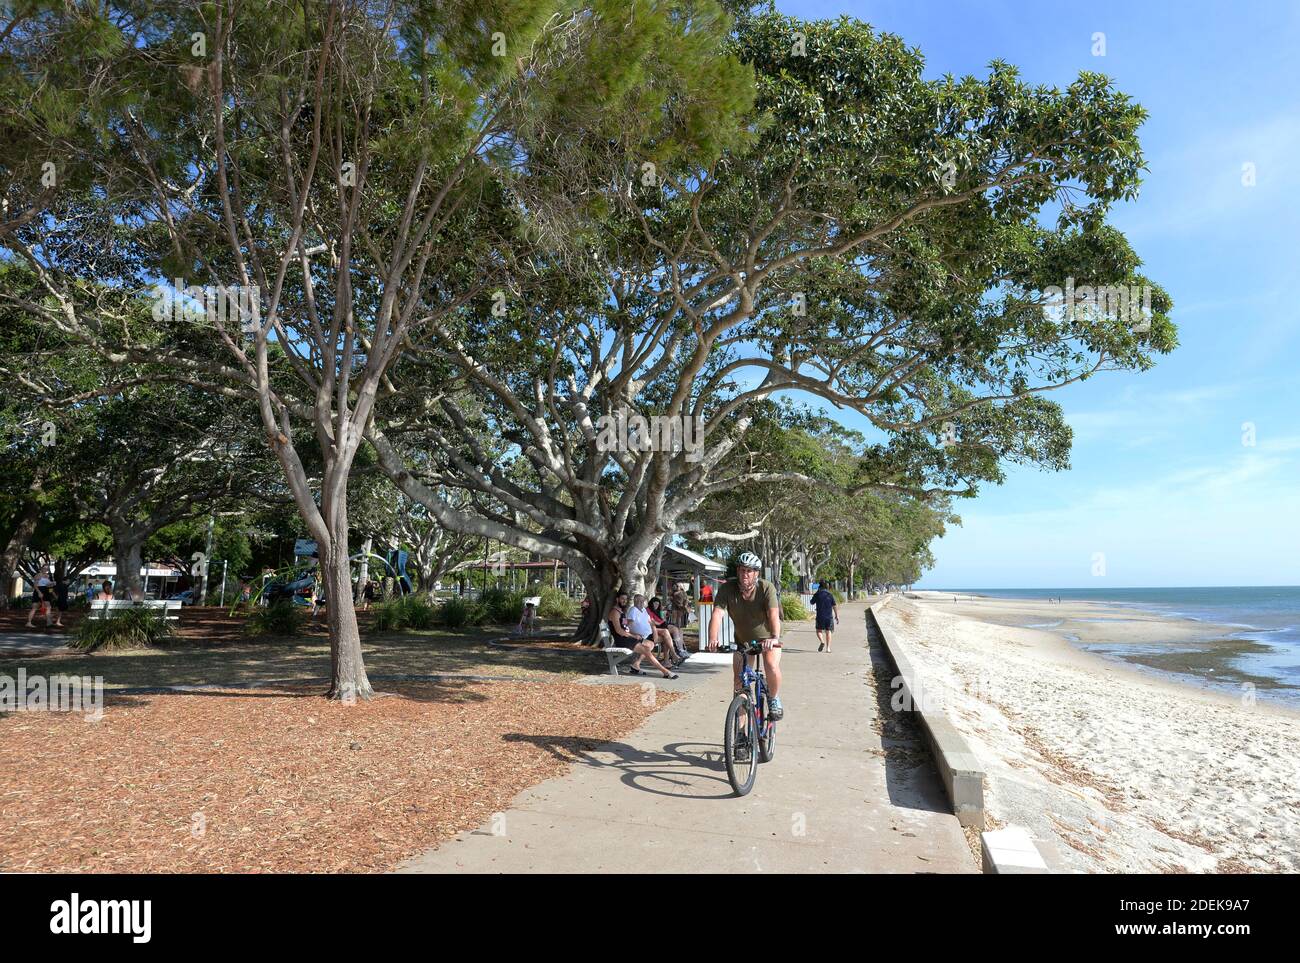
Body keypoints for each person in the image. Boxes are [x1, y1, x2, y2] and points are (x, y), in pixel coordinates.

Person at [707, 552, 784, 719]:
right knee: (739, 683)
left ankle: (773, 697)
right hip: (743, 642)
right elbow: (717, 614)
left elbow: (773, 615)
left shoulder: (766, 587)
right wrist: (713, 639)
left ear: (756, 573)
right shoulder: (727, 588)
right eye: (742, 570)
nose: (745, 574)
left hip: (768, 640)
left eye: (749, 571)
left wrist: (774, 637)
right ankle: (741, 733)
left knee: (771, 665)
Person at [606, 592, 676, 679]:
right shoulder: (615, 612)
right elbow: (619, 631)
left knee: (650, 644)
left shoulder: (621, 612)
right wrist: (634, 636)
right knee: (646, 650)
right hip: (623, 640)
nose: (624, 601)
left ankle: (636, 665)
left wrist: (635, 632)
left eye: (626, 599)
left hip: (628, 637)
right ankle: (665, 672)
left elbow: (625, 626)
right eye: (622, 599)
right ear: (617, 599)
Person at [630, 594, 682, 668]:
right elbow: (629, 625)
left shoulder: (643, 610)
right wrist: (633, 634)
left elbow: (651, 622)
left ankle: (667, 661)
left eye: (642, 601)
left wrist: (654, 629)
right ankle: (673, 654)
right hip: (642, 636)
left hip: (649, 633)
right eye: (638, 601)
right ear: (634, 601)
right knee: (665, 633)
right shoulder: (633, 610)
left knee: (666, 636)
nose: (641, 602)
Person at [648, 596, 688, 662]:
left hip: (662, 626)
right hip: (656, 628)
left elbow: (662, 620)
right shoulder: (649, 611)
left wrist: (664, 616)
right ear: (651, 603)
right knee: (674, 630)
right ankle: (678, 649)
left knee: (679, 629)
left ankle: (681, 648)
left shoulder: (658, 611)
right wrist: (662, 621)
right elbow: (653, 622)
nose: (656, 606)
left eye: (658, 604)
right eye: (655, 604)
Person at [810, 582, 838, 652]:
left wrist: (815, 594)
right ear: (827, 587)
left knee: (818, 630)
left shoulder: (817, 594)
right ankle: (828, 648)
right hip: (829, 616)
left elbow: (811, 602)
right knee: (828, 631)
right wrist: (836, 615)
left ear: (819, 586)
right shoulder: (830, 594)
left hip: (820, 616)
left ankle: (822, 641)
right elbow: (834, 605)